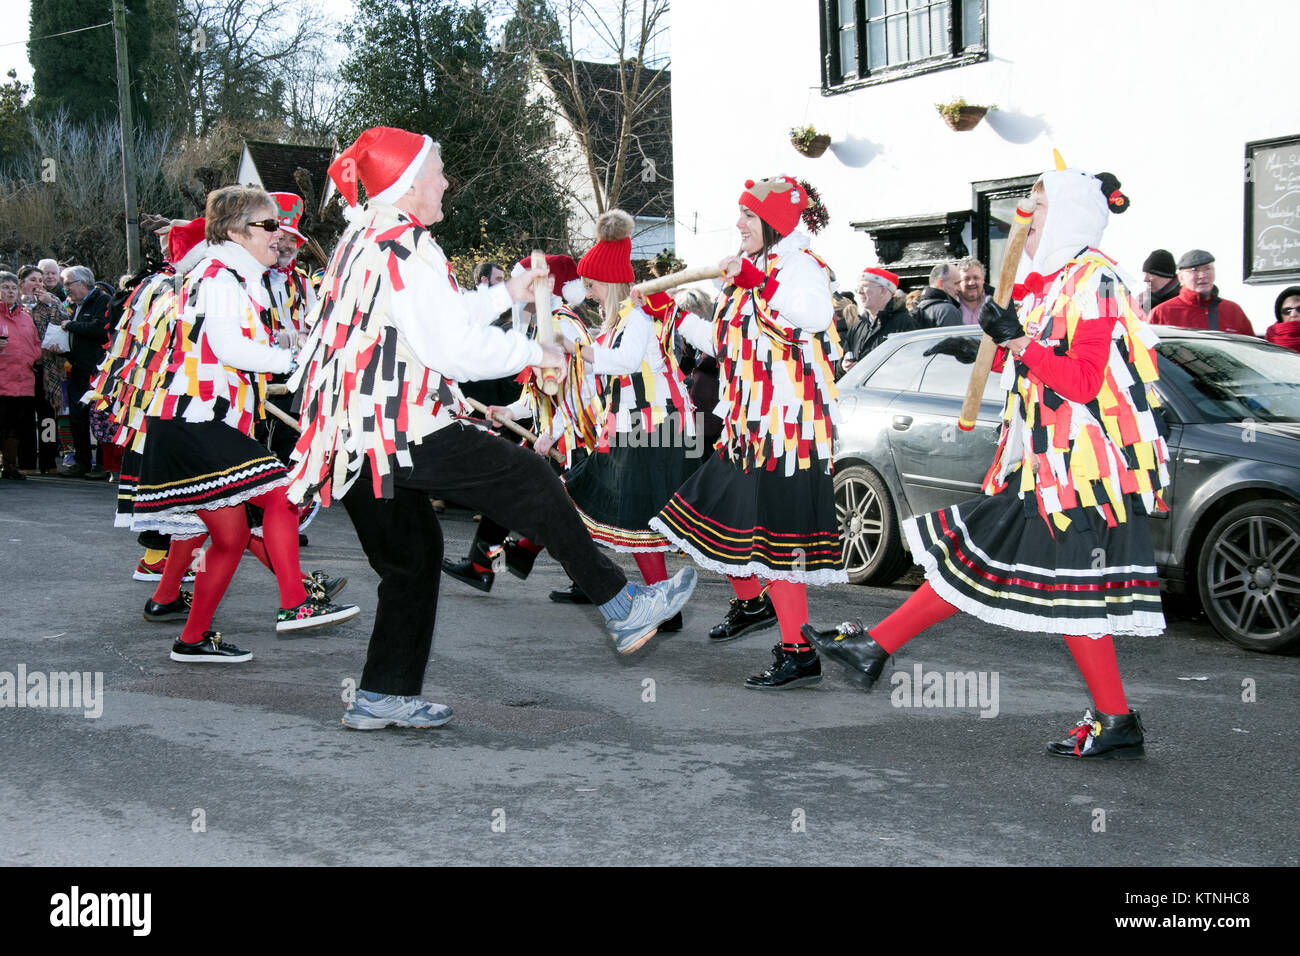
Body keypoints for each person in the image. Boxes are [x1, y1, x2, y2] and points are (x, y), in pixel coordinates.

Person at [285, 126, 696, 730]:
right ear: (408, 186)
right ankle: (622, 603)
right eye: (439, 173)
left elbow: (440, 314)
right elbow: (452, 348)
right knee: (530, 476)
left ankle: (381, 695)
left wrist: (507, 292)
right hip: (398, 429)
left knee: (413, 559)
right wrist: (534, 352)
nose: (446, 182)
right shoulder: (404, 247)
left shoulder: (372, 238)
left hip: (358, 441)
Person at [805, 167, 1169, 760]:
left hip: (1084, 473)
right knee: (1016, 568)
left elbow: (1081, 381)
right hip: (1046, 463)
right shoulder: (1053, 281)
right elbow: (1025, 373)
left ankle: (877, 646)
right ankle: (876, 646)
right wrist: (991, 348)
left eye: (1039, 207)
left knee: (1029, 574)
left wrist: (1020, 341)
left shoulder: (1096, 282)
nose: (1023, 219)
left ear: (1072, 215)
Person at [126, 185, 359, 663]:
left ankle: (192, 640)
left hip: (203, 421)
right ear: (236, 230)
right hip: (195, 419)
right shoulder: (220, 277)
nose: (280, 235)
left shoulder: (236, 276)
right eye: (269, 225)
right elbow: (229, 347)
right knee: (281, 496)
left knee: (230, 538)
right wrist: (297, 359)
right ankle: (295, 603)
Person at [655, 175, 846, 688]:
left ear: (774, 222)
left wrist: (757, 283)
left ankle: (798, 651)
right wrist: (673, 318)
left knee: (780, 544)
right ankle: (752, 604)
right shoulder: (759, 269)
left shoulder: (800, 267)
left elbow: (815, 314)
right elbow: (726, 345)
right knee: (711, 515)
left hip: (788, 433)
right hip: (749, 426)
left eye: (747, 215)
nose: (738, 224)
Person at [560, 209, 700, 626]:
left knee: (643, 520)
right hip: (637, 428)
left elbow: (621, 362)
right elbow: (603, 377)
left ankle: (667, 603)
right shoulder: (619, 320)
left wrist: (575, 348)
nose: (588, 293)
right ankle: (662, 603)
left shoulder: (635, 318)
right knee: (640, 521)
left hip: (658, 428)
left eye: (591, 285)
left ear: (608, 282)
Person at [441, 253, 601, 597]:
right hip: (556, 433)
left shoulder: (562, 325)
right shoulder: (546, 324)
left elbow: (584, 387)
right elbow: (540, 389)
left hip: (574, 434)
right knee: (514, 493)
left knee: (563, 508)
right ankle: (485, 565)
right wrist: (512, 412)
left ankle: (575, 574)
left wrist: (553, 432)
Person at [59, 266, 114, 478]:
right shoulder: (78, 305)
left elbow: (101, 329)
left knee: (99, 418)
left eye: (68, 285)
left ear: (82, 283)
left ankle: (101, 465)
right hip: (79, 370)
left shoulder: (102, 301)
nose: (66, 290)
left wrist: (72, 326)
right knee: (77, 418)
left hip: (97, 372)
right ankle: (82, 462)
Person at [17, 265, 66, 474]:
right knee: (26, 418)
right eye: (32, 280)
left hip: (47, 368)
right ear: (21, 284)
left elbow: (65, 321)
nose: (38, 284)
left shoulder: (49, 304)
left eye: (40, 280)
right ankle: (27, 462)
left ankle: (48, 462)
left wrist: (52, 303)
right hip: (24, 369)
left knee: (47, 417)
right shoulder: (15, 306)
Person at [1147, 250, 1254, 334]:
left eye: (1207, 269)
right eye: (1194, 270)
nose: (1202, 276)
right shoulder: (1162, 313)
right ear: (1181, 277)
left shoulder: (1233, 311)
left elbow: (1252, 351)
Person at [0, 272, 42, 480]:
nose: (9, 291)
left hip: (23, 381)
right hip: (2, 380)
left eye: (13, 288)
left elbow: (35, 344)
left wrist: (32, 357)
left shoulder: (25, 317)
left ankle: (9, 465)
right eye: (5, 287)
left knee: (15, 427)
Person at [841, 266, 915, 374]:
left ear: (883, 290)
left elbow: (909, 367)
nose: (859, 292)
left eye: (864, 287)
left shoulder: (905, 325)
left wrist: (865, 370)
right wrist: (843, 366)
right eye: (858, 288)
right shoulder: (857, 327)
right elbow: (841, 364)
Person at [911, 262, 962, 328]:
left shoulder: (919, 308)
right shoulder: (948, 310)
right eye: (956, 283)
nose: (960, 288)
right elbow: (955, 337)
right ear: (940, 284)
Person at [1139, 249, 1180, 313]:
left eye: (1151, 275)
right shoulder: (1148, 298)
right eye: (1144, 274)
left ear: (1166, 276)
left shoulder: (1182, 301)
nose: (1145, 280)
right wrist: (1141, 307)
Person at [956, 256, 991, 325]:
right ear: (959, 281)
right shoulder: (951, 304)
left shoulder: (994, 302)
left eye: (976, 278)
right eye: (966, 278)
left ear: (983, 280)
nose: (971, 283)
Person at [1266, 286, 1300, 352]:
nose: (1293, 314)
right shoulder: (1270, 338)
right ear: (1280, 315)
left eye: (1299, 309)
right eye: (1287, 311)